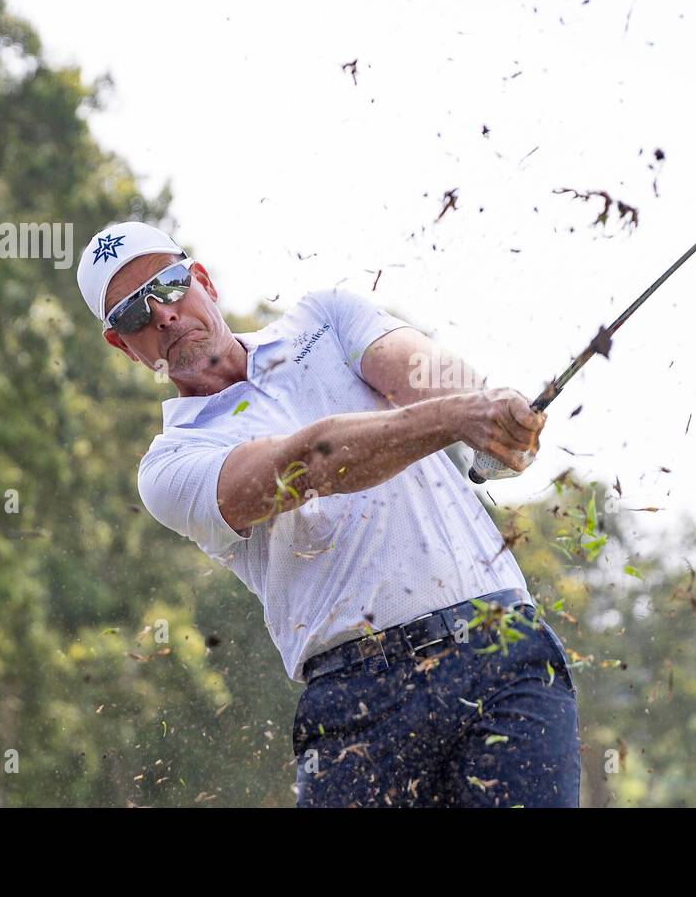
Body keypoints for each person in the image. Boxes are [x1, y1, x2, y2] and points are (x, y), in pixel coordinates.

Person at [75, 221, 580, 807]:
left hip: (498, 650)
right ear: (121, 344)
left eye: (168, 285)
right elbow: (311, 465)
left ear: (203, 280)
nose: (162, 315)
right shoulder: (169, 465)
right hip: (355, 704)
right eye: (133, 313)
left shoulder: (326, 319)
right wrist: (460, 418)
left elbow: (434, 381)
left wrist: (491, 420)